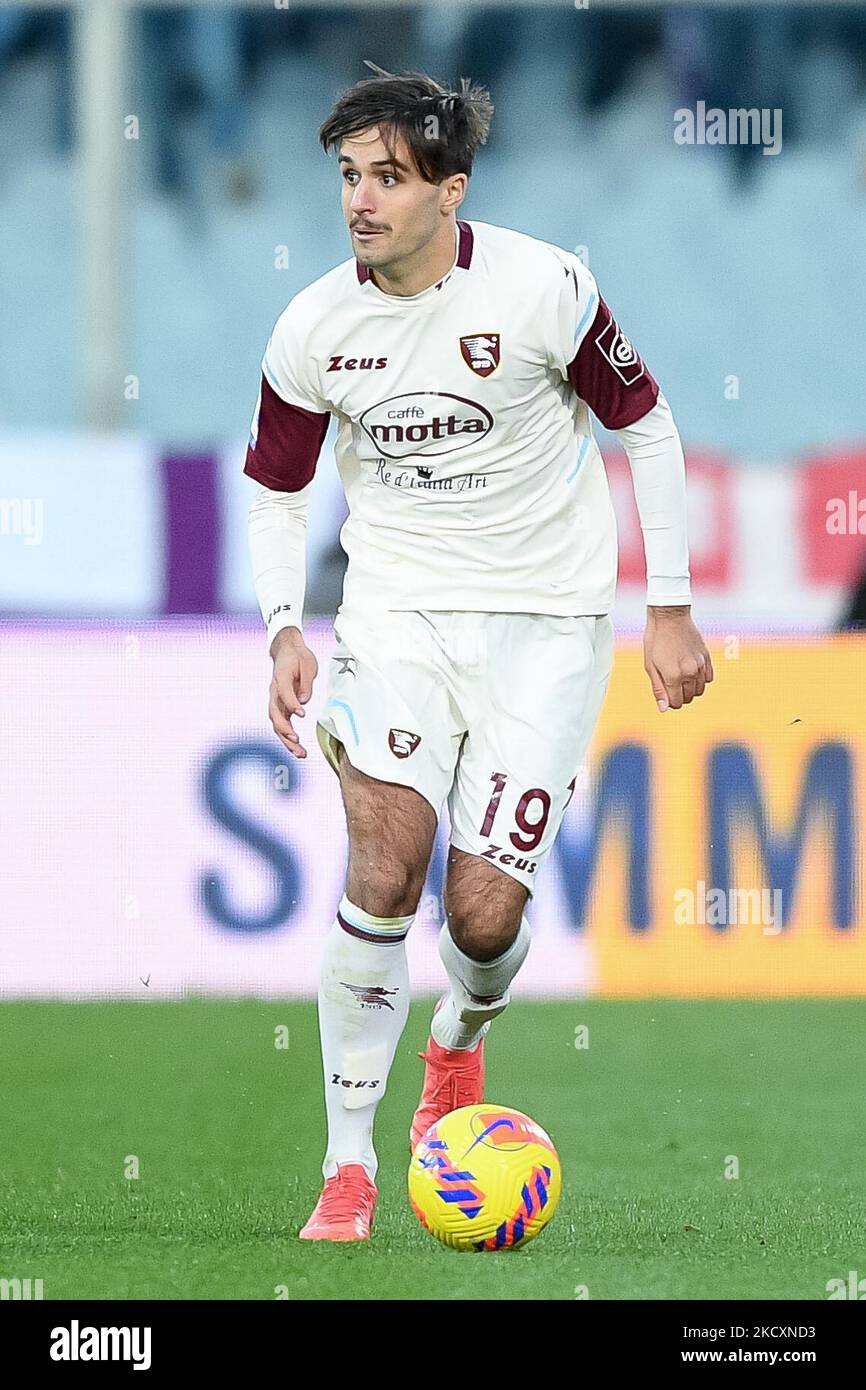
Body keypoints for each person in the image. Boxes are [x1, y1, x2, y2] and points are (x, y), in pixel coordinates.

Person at [244, 63, 713, 1242]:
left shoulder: (545, 288)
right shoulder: (313, 326)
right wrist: (281, 626)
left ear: (448, 190)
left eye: (387, 179)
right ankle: (347, 1166)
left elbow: (644, 422)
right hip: (395, 619)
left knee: (485, 921)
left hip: (547, 624)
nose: (359, 201)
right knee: (382, 875)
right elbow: (276, 489)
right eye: (348, 177)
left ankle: (455, 1038)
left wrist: (666, 605)